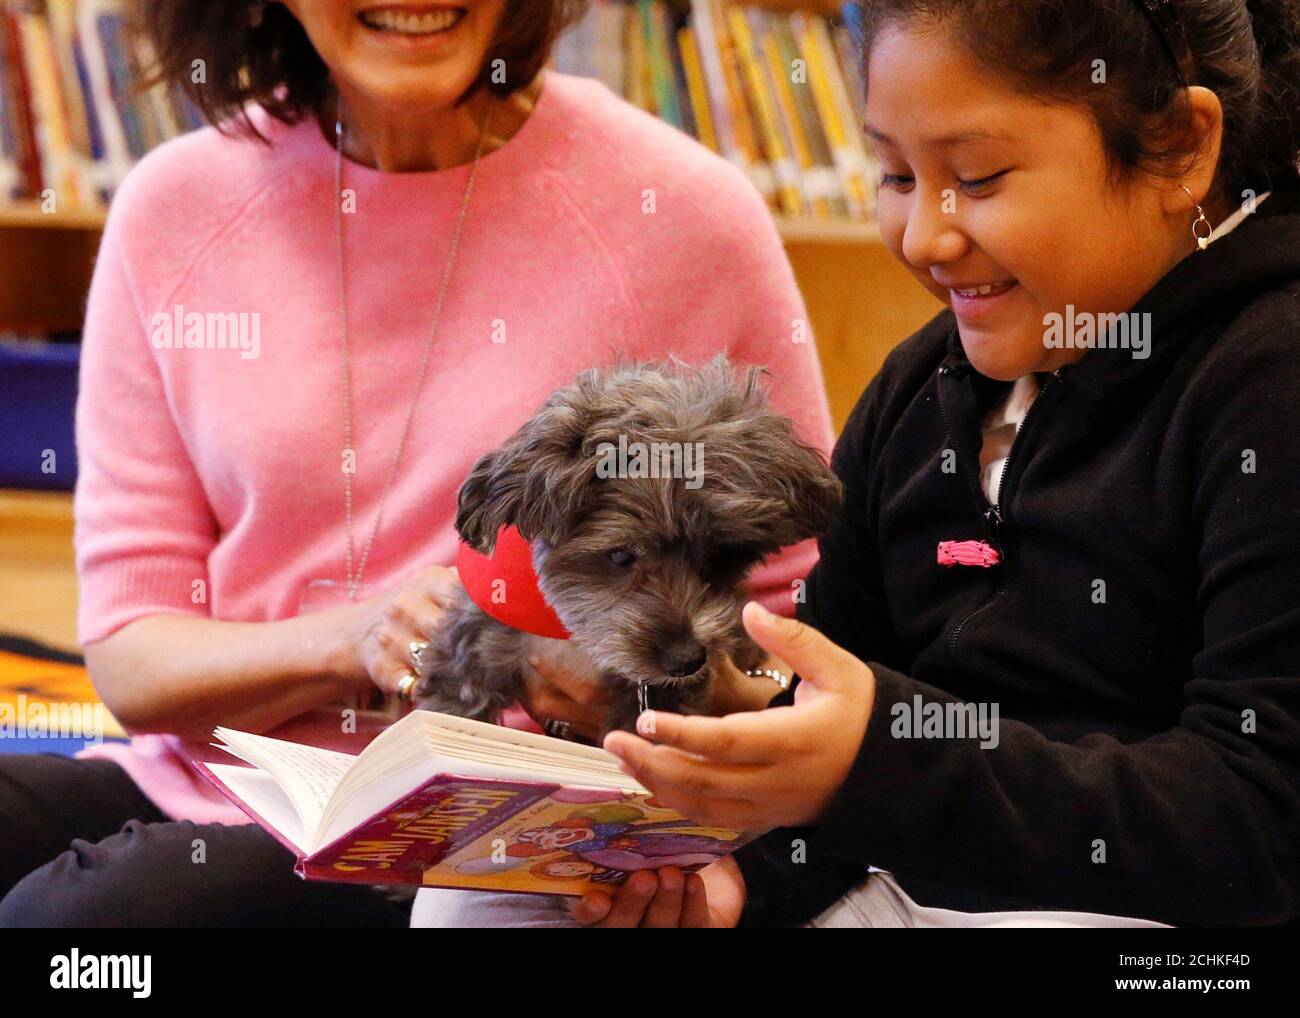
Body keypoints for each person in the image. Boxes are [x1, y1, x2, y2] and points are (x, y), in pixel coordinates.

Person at [412, 0, 1300, 928]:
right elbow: (827, 709)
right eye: (895, 174)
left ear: (1183, 144)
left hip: (1161, 928)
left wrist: (877, 762)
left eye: (981, 177)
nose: (924, 237)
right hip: (900, 890)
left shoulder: (1266, 380)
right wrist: (739, 884)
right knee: (472, 907)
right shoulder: (921, 390)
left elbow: (1264, 819)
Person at [0, 0, 833, 927]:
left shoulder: (683, 212)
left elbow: (795, 632)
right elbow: (132, 658)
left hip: (486, 836)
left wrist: (691, 821)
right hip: (221, 779)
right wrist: (351, 640)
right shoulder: (172, 208)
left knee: (89, 918)